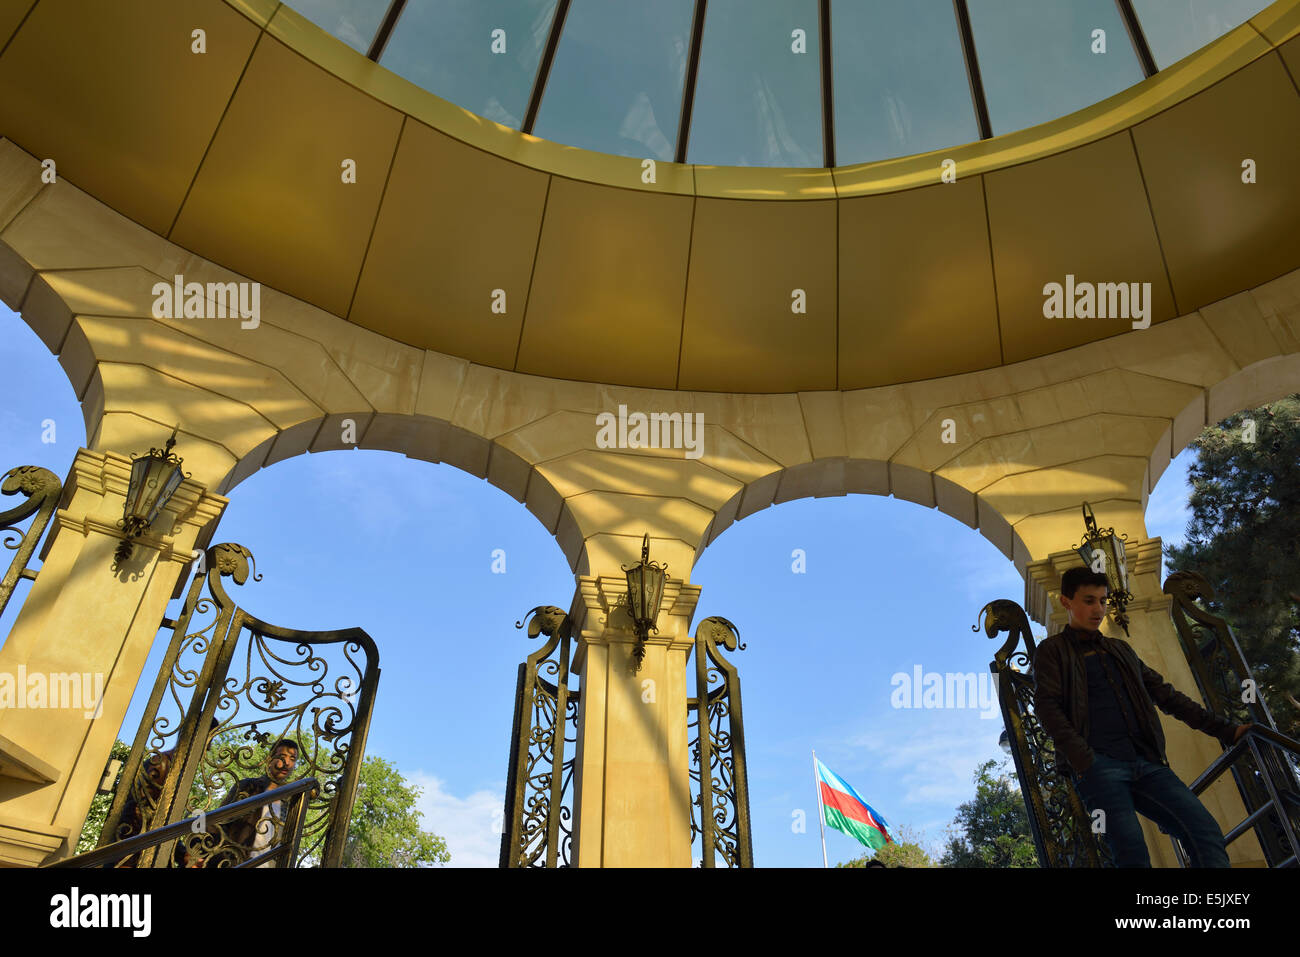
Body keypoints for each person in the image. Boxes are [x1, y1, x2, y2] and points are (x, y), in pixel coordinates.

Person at [1033, 567, 1254, 867]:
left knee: (1204, 830)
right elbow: (1047, 709)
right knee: (1132, 854)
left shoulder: (1120, 649)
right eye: (1089, 600)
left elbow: (1167, 696)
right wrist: (1084, 759)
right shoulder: (1052, 651)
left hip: (1148, 763)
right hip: (1099, 768)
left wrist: (1226, 730)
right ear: (1066, 602)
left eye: (1102, 600)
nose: (1098, 609)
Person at [205, 738, 301, 868]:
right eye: (282, 756)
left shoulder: (289, 802)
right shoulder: (249, 787)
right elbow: (219, 822)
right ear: (270, 759)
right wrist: (205, 853)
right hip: (237, 862)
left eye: (293, 759)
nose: (287, 763)